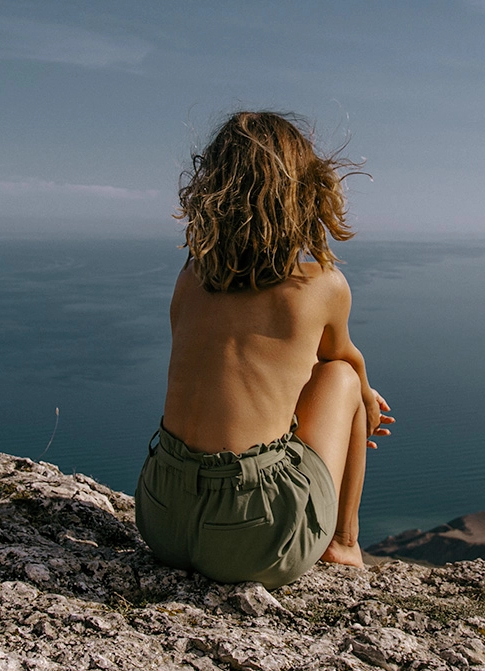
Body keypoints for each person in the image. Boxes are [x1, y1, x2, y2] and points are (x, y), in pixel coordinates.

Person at [135, 110, 393, 588]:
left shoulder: (191, 280)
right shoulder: (322, 285)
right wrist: (365, 402)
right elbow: (343, 363)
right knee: (342, 378)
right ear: (306, 192)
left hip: (161, 517)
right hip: (252, 539)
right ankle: (344, 543)